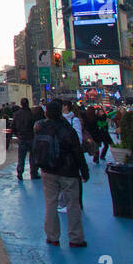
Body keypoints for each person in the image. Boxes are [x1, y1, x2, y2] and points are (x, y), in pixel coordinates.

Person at [34, 100, 89, 247]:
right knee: (73, 205)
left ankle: (52, 237)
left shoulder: (41, 128)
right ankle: (76, 238)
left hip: (48, 170)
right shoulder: (67, 129)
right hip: (68, 171)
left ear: (47, 113)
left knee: (50, 204)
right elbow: (77, 151)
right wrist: (84, 171)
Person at [12, 98, 36, 181]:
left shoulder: (17, 114)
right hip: (30, 137)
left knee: (21, 157)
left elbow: (13, 126)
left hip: (21, 138)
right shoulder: (31, 114)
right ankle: (33, 172)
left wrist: (17, 135)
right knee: (33, 156)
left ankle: (19, 172)